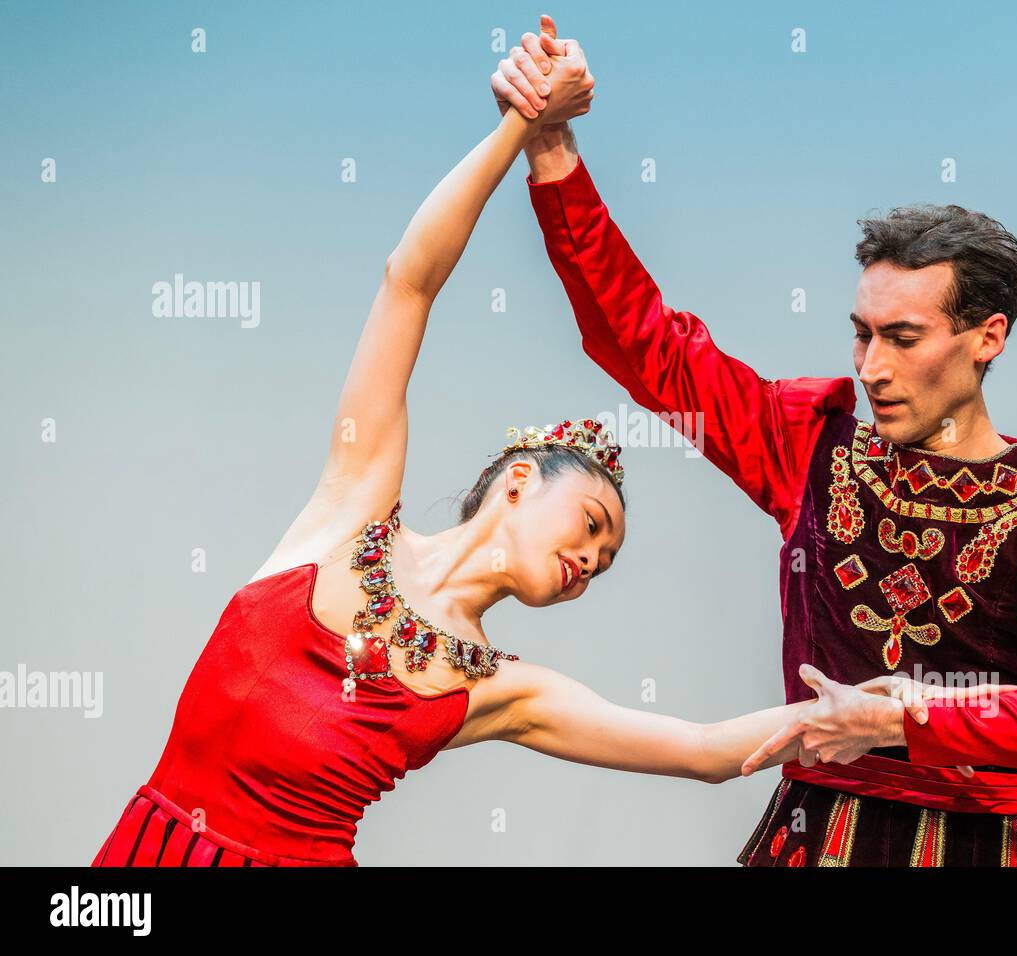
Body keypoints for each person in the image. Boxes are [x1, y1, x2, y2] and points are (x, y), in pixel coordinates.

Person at [89, 42, 930, 869]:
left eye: (603, 565)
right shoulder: (350, 505)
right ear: (520, 482)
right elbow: (407, 283)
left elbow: (704, 749)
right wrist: (523, 126)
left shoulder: (504, 691)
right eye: (593, 527)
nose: (590, 562)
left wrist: (868, 711)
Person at [496, 16, 1017, 866]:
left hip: (990, 849)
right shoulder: (810, 446)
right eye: (861, 333)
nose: (872, 366)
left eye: (904, 338)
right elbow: (644, 343)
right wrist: (550, 140)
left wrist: (902, 717)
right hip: (818, 835)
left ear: (987, 337)